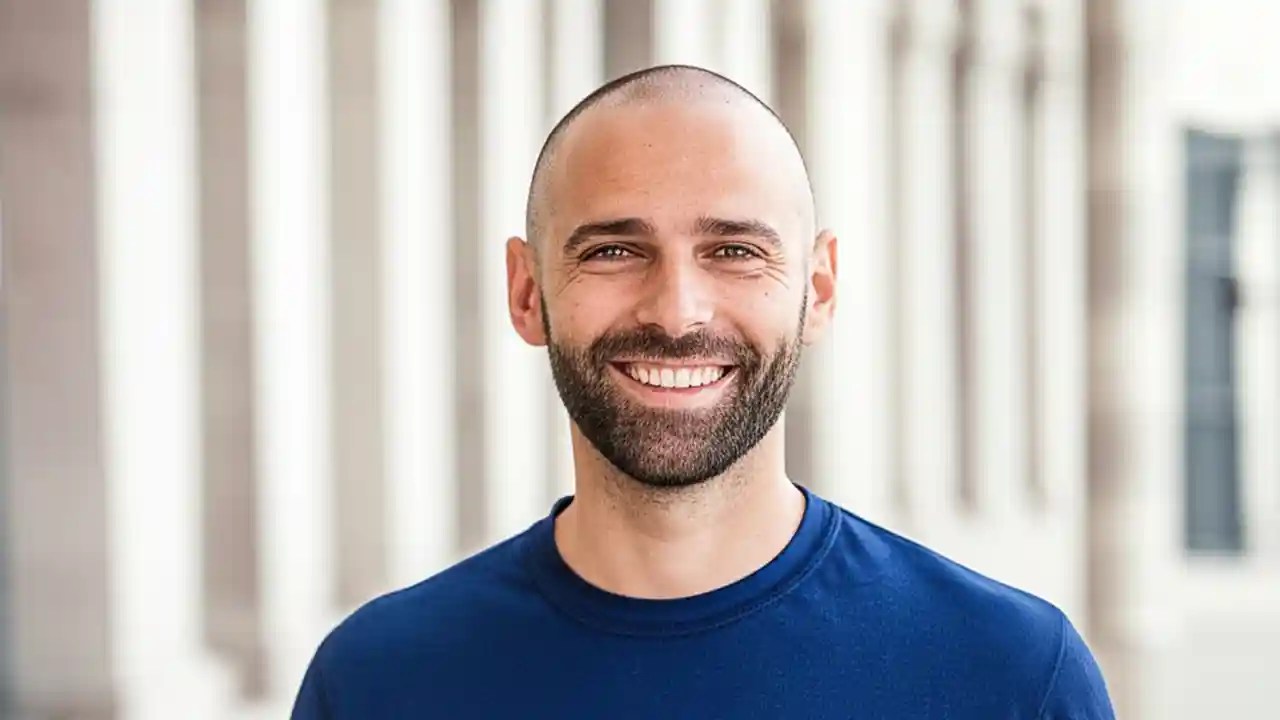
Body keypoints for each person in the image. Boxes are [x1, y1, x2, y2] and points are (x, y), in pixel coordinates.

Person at [291, 64, 1114, 719]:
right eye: (614, 251)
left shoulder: (1008, 677)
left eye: (735, 252)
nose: (677, 313)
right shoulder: (378, 683)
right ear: (526, 290)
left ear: (818, 290)